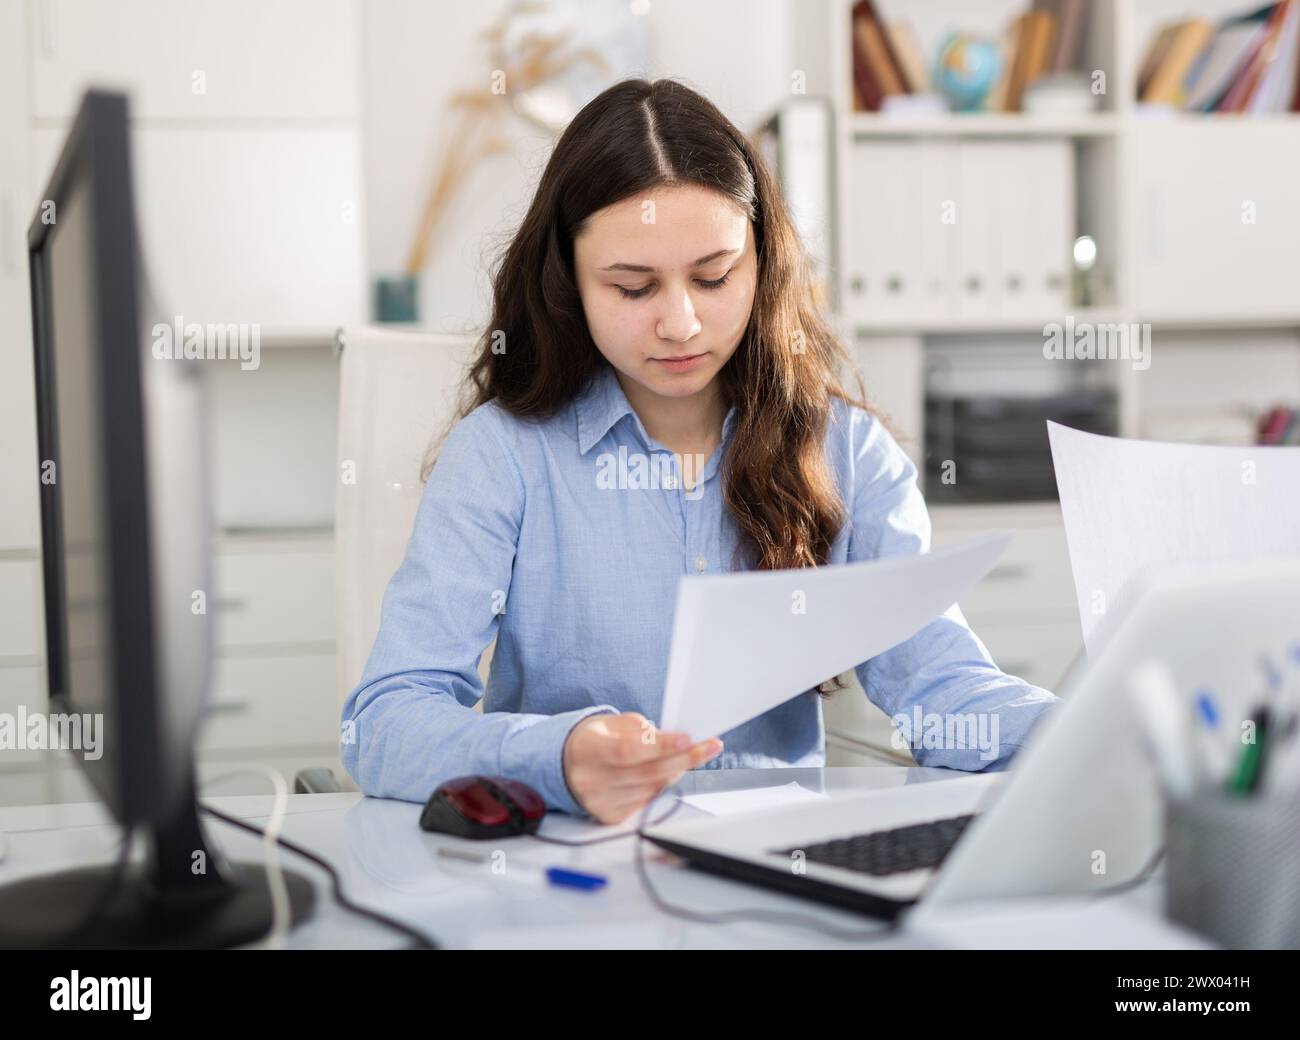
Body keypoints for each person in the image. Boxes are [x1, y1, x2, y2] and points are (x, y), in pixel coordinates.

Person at [341, 78, 1058, 824]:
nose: (680, 323)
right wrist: (557, 757)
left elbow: (944, 690)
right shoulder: (502, 458)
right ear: (569, 285)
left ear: (762, 263)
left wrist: (1085, 727)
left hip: (775, 877)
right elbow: (385, 725)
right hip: (567, 879)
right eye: (632, 288)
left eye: (714, 277)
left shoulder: (845, 451)